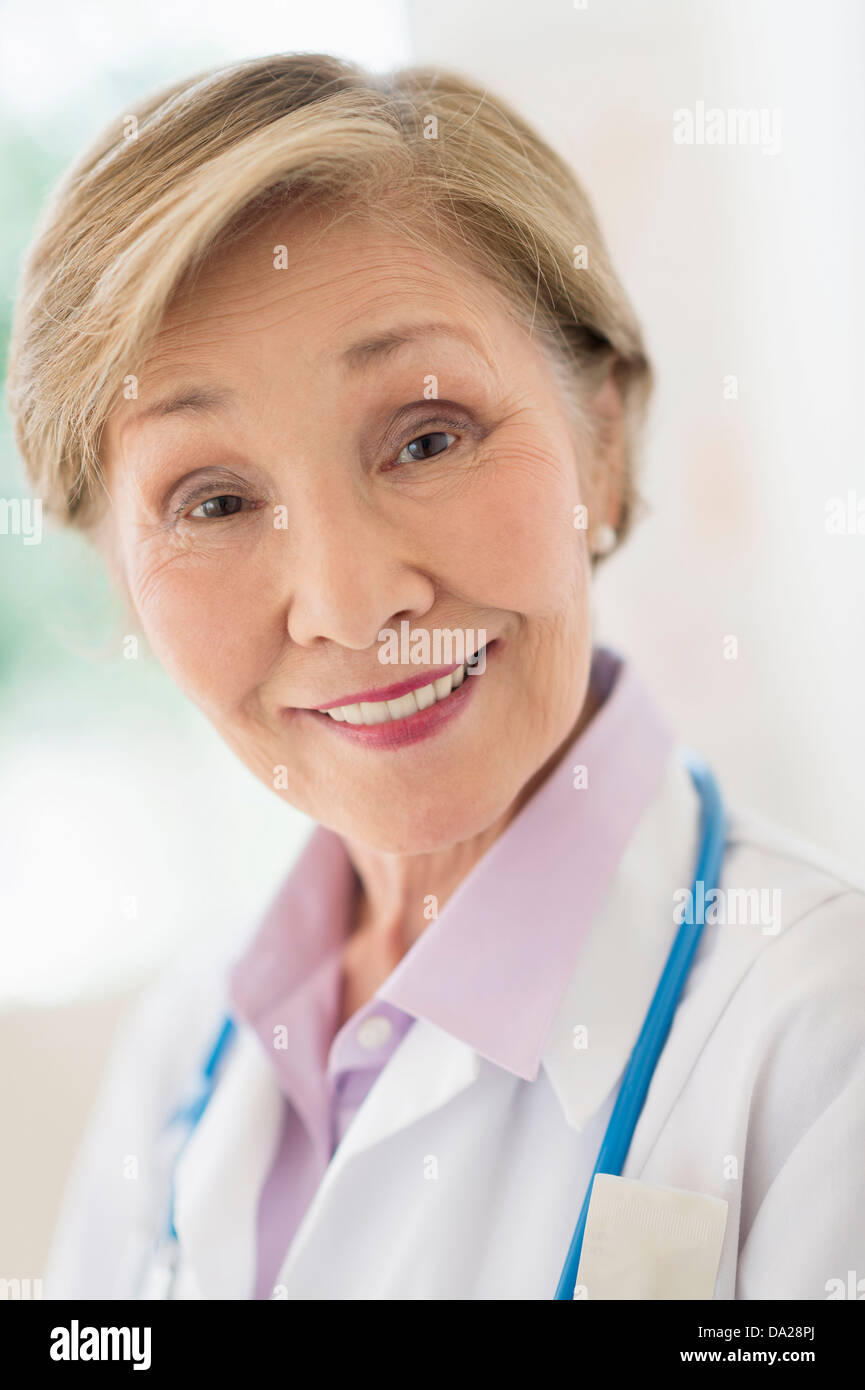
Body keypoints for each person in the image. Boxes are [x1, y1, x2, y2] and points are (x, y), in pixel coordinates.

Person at [8, 52, 864, 1301]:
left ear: (601, 442)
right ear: (119, 581)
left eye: (426, 437)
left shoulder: (821, 1040)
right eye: (216, 501)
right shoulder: (181, 1053)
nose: (352, 603)